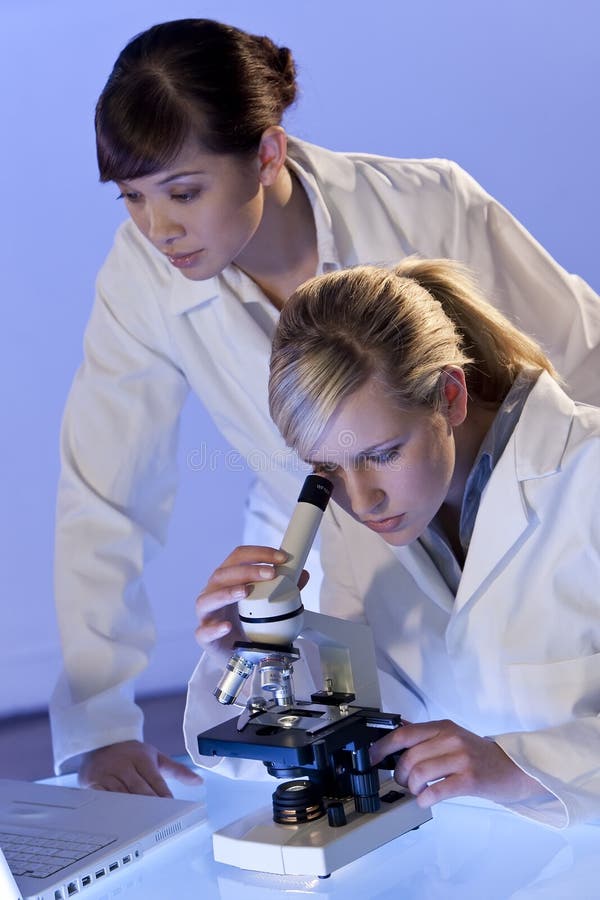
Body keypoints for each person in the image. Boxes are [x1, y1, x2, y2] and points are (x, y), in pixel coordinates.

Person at [52, 16, 600, 797]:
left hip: (521, 520)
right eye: (132, 198)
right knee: (322, 750)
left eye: (183, 191)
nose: (157, 229)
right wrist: (102, 727)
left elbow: (585, 362)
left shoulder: (427, 206)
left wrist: (567, 538)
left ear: (268, 153)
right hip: (330, 527)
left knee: (524, 736)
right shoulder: (143, 276)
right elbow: (104, 493)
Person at [186, 257, 600, 827]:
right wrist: (245, 652)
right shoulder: (354, 521)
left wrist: (519, 769)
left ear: (450, 396)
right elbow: (356, 713)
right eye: (328, 466)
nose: (363, 501)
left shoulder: (587, 477)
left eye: (382, 455)